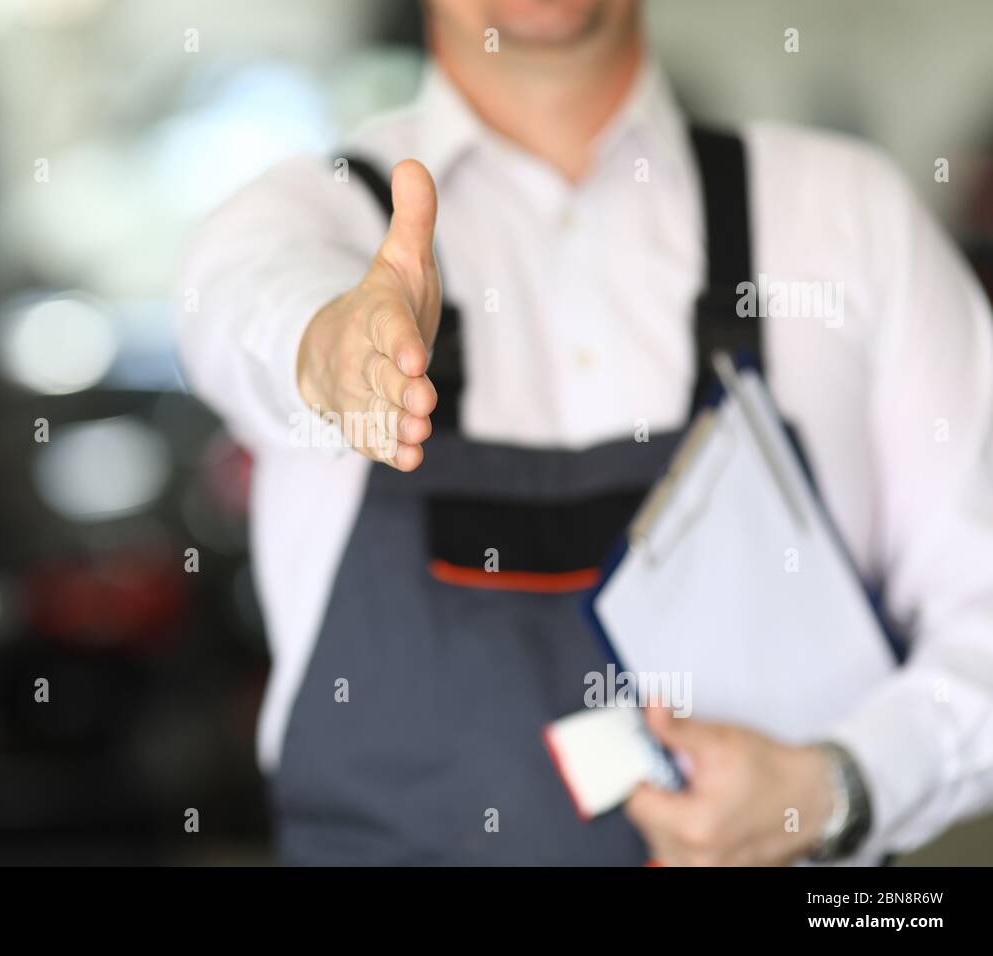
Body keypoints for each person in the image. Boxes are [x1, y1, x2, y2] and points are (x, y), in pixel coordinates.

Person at [177, 0, 993, 865]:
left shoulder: (853, 222)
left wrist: (835, 787)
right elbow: (243, 301)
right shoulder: (299, 217)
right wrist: (329, 350)